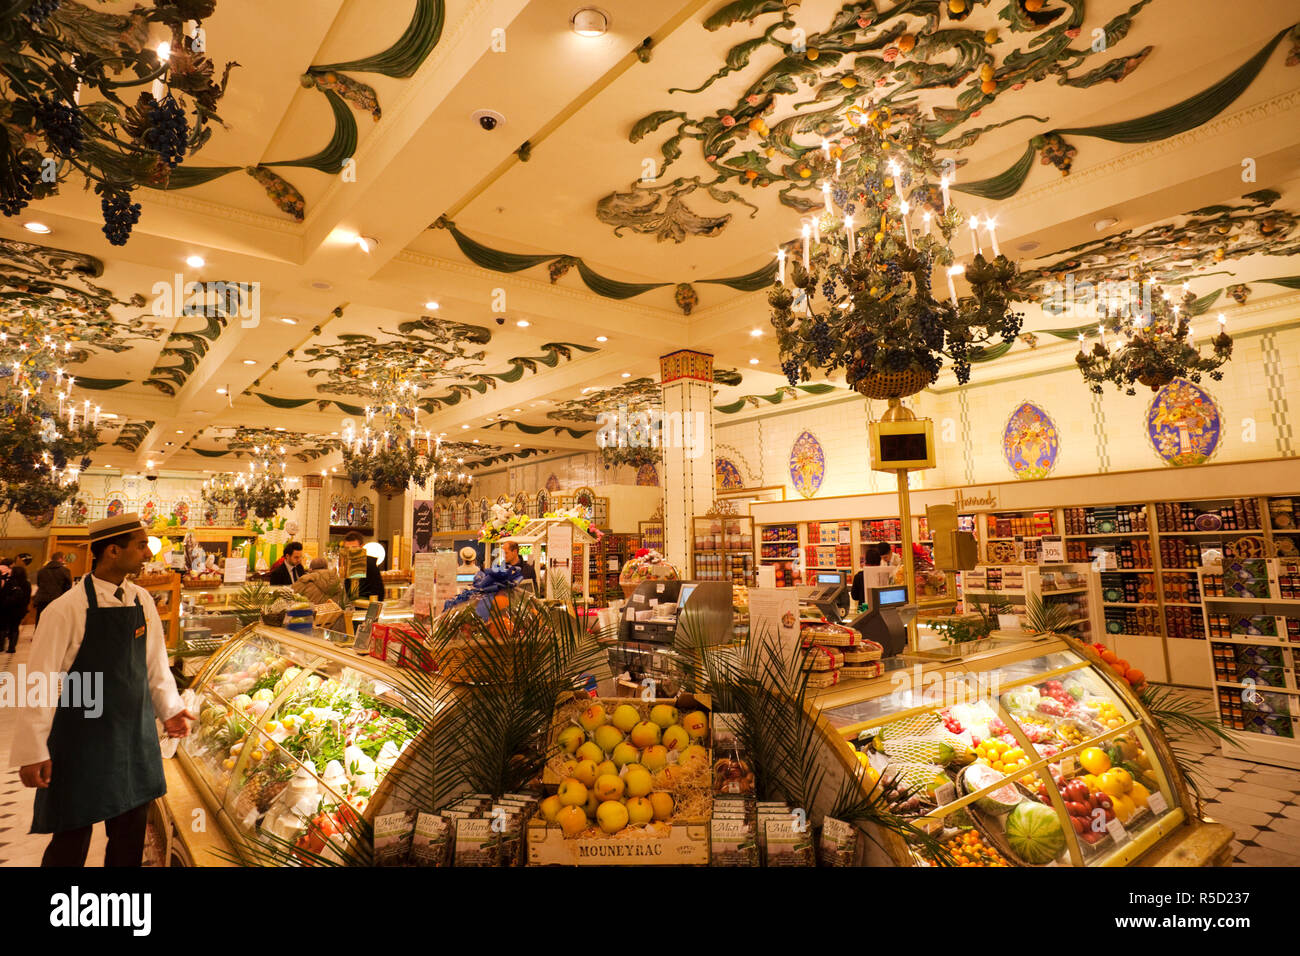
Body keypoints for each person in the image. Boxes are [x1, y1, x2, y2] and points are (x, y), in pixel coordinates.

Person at [11, 514, 194, 867]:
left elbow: (155, 663)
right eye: (141, 546)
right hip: (82, 740)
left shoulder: (142, 601)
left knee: (129, 837)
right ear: (113, 550)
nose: (146, 554)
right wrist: (33, 750)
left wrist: (170, 710)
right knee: (71, 836)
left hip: (135, 738)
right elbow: (41, 680)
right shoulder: (66, 609)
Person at [340, 531, 385, 600]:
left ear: (362, 546)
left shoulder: (370, 564)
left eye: (354, 548)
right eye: (347, 548)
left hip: (367, 605)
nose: (351, 551)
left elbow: (378, 590)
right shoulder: (345, 563)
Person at [34, 552, 73, 626]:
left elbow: (39, 584)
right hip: (57, 599)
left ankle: (38, 636)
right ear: (61, 559)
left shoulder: (41, 571)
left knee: (40, 621)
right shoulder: (65, 571)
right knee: (54, 623)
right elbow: (68, 587)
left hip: (42, 599)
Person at [0, 564, 32, 653]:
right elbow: (27, 598)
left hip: (7, 608)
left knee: (3, 626)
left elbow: (3, 595)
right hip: (19, 610)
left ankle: (1, 646)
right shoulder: (27, 584)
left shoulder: (9, 582)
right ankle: (12, 647)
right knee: (15, 627)